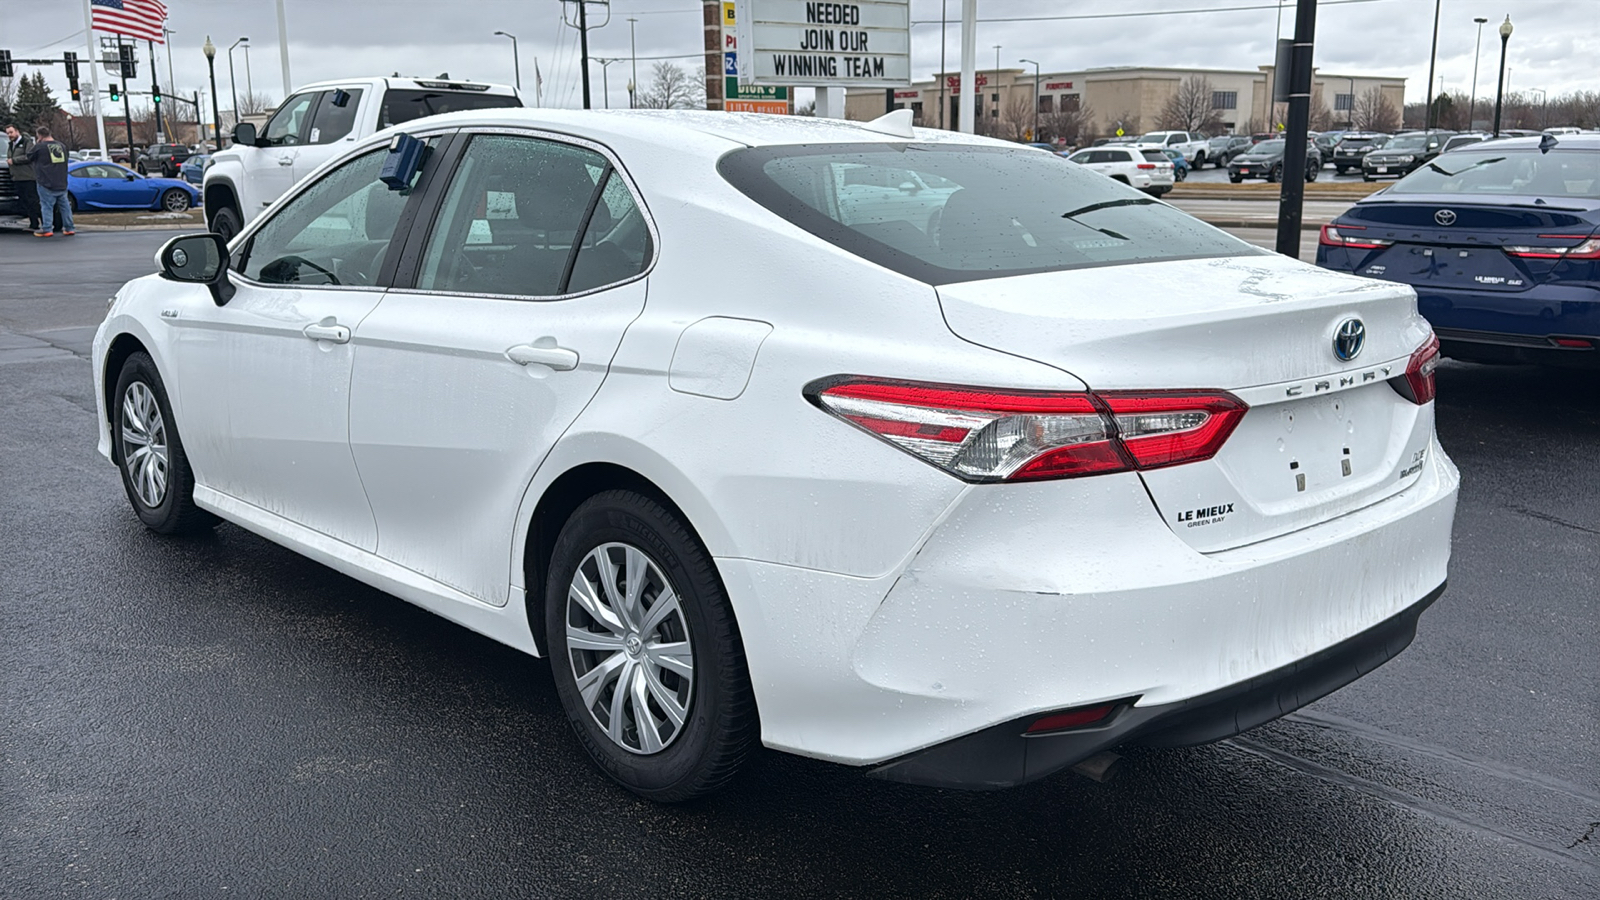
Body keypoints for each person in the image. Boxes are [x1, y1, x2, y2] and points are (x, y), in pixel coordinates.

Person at [26, 124, 72, 237]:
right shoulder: (62, 146)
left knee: (46, 206)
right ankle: (69, 227)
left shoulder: (39, 147)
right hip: (61, 181)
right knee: (65, 206)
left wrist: (37, 143)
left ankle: (47, 228)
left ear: (40, 136)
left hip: (45, 181)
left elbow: (29, 156)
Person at [5, 124, 42, 231]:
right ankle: (33, 223)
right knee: (25, 202)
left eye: (11, 132)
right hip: (17, 178)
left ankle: (46, 223)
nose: (9, 135)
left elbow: (29, 156)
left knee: (33, 201)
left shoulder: (27, 142)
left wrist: (14, 160)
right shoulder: (11, 145)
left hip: (28, 177)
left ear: (17, 131)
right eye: (8, 133)